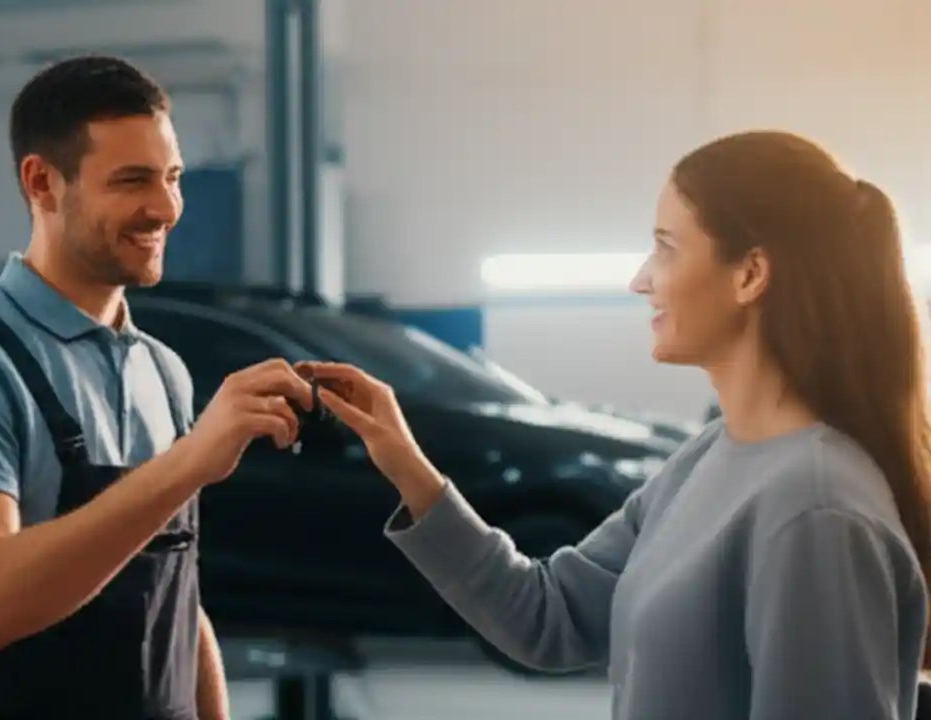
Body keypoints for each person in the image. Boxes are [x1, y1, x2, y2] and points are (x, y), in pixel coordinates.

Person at [299, 130, 931, 719]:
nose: (640, 279)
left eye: (666, 246)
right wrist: (405, 462)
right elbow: (547, 619)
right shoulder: (709, 455)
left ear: (750, 274)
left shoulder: (815, 509)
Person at [0, 55, 312, 718]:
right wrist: (189, 461)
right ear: (43, 183)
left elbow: (178, 599)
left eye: (173, 178)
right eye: (133, 180)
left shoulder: (162, 371)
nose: (167, 207)